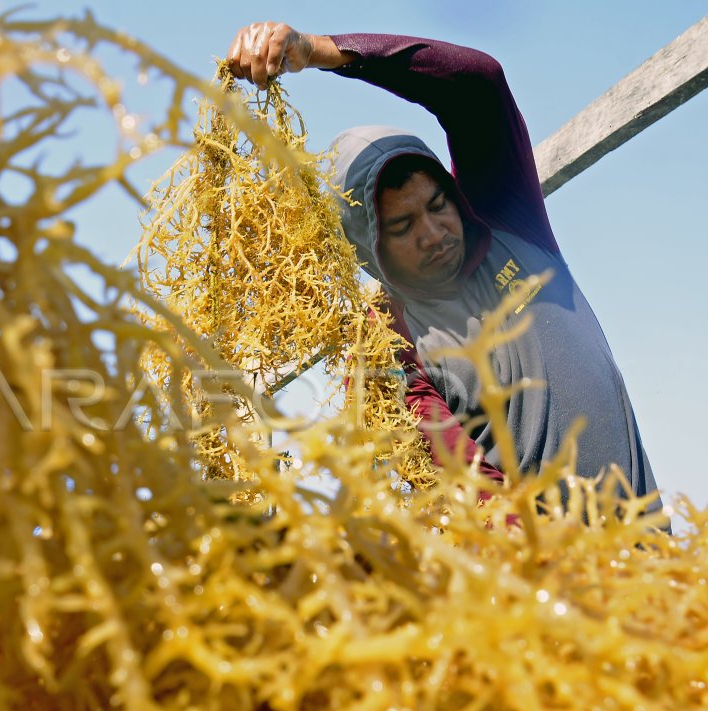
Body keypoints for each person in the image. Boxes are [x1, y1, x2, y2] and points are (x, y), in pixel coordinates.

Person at [225, 24, 659, 503]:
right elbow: (467, 491)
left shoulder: (509, 224)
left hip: (664, 555)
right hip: (555, 570)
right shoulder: (387, 348)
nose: (433, 233)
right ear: (369, 247)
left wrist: (320, 51)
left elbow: (479, 84)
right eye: (402, 226)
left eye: (437, 205)